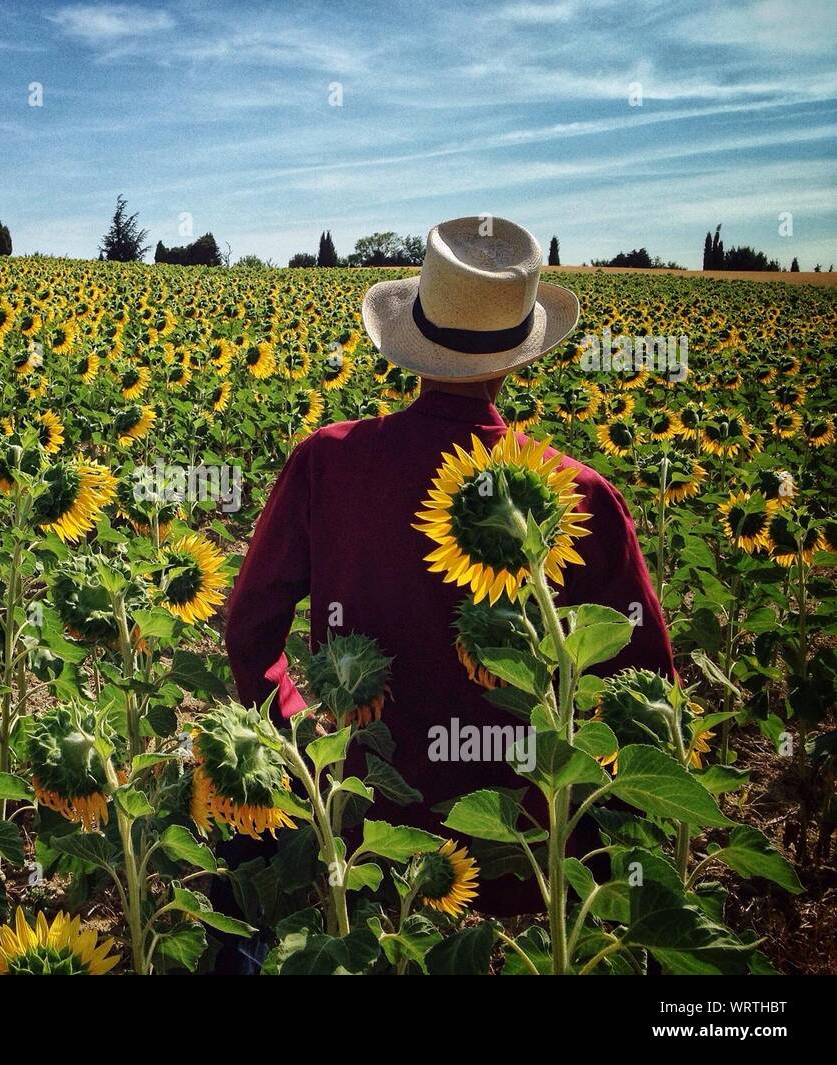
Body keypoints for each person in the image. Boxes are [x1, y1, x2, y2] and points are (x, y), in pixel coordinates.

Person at [224, 216, 676, 920]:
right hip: (533, 862)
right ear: (516, 357)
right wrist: (600, 830)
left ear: (416, 342)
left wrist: (300, 735)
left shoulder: (330, 463)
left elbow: (251, 625)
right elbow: (643, 691)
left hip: (365, 838)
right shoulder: (578, 498)